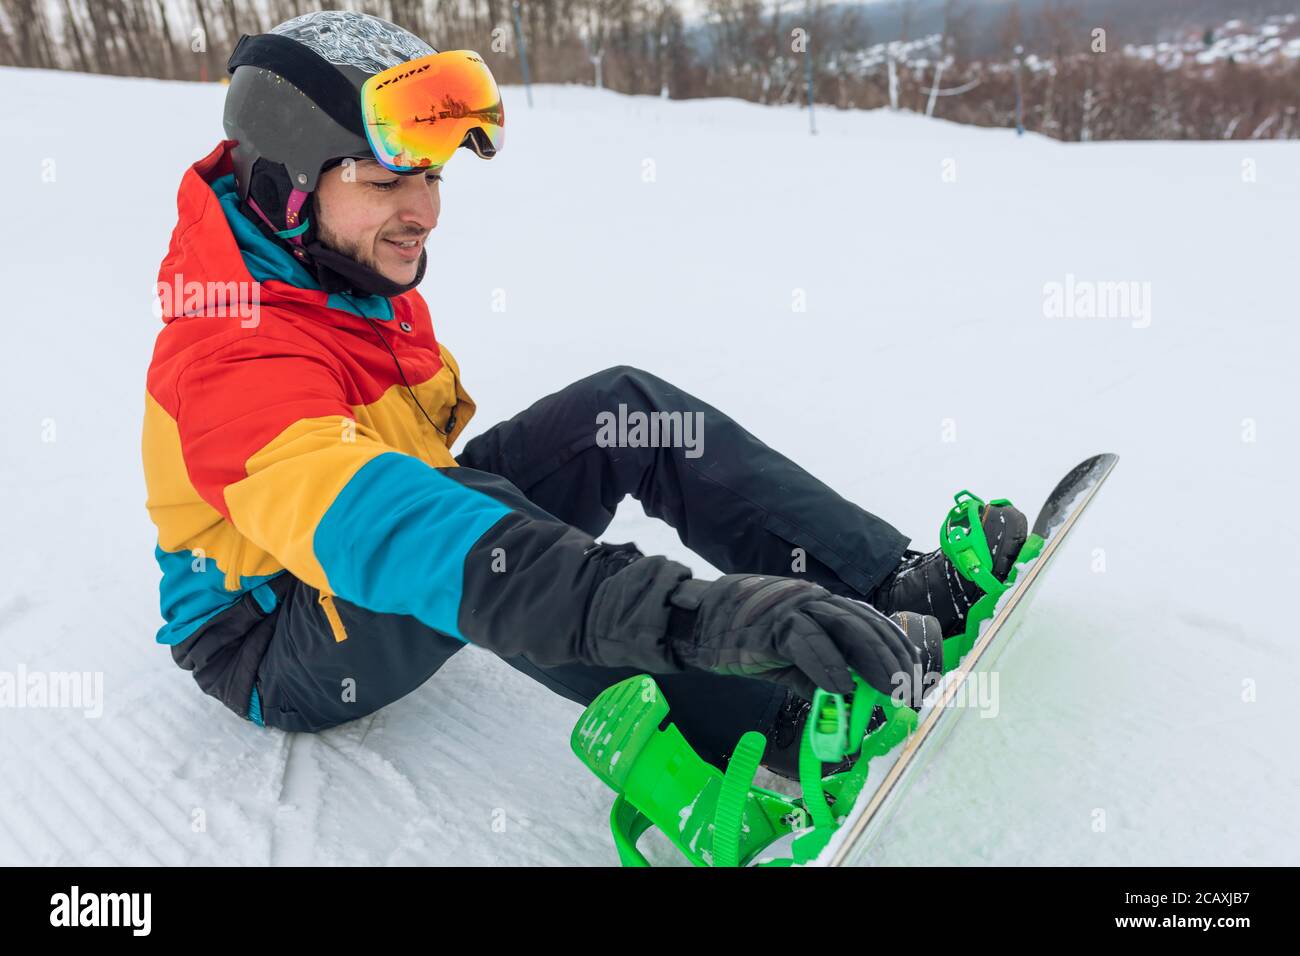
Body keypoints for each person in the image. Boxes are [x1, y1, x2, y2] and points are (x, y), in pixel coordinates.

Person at [141, 10, 1027, 781]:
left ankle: (892, 584)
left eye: (433, 176)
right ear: (284, 191)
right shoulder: (227, 351)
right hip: (272, 635)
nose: (427, 213)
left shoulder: (333, 261)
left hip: (389, 522)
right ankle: (782, 723)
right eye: (386, 181)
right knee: (484, 539)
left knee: (621, 409)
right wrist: (696, 616)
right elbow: (390, 524)